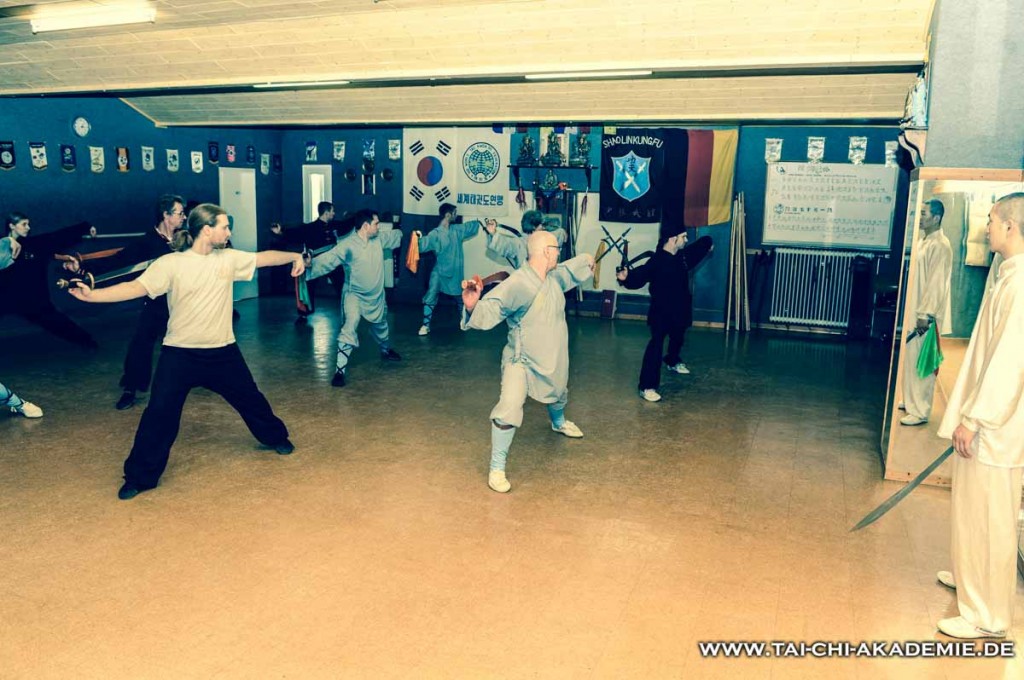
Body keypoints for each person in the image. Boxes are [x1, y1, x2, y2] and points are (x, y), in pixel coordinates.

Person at [68, 203, 304, 500]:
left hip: (222, 353)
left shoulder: (228, 258)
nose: (229, 232)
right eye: (224, 227)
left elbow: (264, 258)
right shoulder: (171, 264)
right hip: (179, 355)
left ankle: (276, 437)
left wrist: (295, 255)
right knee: (159, 415)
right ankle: (139, 477)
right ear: (207, 230)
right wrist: (93, 297)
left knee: (251, 399)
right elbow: (133, 288)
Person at [933, 193, 1024, 639]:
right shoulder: (1007, 275)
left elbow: (1010, 362)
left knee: (990, 517)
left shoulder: (1021, 283)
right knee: (974, 512)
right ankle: (972, 579)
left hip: (996, 428)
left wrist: (977, 418)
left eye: (991, 220)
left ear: (1010, 226)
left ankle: (988, 615)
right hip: (986, 420)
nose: (985, 227)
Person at [461, 230, 594, 493]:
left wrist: (587, 259)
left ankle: (558, 422)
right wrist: (472, 307)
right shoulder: (519, 283)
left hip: (552, 353)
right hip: (520, 359)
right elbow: (494, 307)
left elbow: (570, 270)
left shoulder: (553, 277)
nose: (559, 252)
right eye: (556, 248)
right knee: (508, 407)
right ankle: (497, 467)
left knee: (558, 391)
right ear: (546, 251)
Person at [76, 194, 184, 410]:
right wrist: (84, 270)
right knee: (141, 344)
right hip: (156, 303)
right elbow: (119, 260)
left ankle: (199, 378)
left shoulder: (184, 239)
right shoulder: (147, 242)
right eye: (180, 213)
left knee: (193, 342)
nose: (184, 217)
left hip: (182, 304)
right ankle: (130, 388)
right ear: (166, 215)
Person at [306, 209, 402, 387]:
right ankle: (339, 372)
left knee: (381, 326)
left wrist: (410, 234)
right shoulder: (348, 245)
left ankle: (385, 350)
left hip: (376, 297)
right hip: (354, 295)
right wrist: (309, 265)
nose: (378, 227)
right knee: (350, 324)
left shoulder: (379, 239)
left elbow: (396, 236)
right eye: (376, 224)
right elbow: (330, 258)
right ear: (366, 226)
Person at [617, 228, 714, 402]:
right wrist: (626, 277)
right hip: (661, 311)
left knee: (678, 336)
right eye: (683, 236)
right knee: (656, 345)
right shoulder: (657, 261)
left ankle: (672, 360)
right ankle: (646, 387)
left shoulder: (683, 258)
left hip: (681, 308)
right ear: (672, 238)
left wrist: (708, 244)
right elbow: (640, 276)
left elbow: (703, 243)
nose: (686, 239)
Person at [0, 212, 98, 348]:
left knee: (56, 322)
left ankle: (88, 343)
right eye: (24, 224)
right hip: (4, 297)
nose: (28, 227)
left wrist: (85, 227)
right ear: (12, 226)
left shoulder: (35, 245)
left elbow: (57, 237)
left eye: (28, 224)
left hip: (32, 300)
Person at [901, 199, 952, 426]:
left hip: (925, 313)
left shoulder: (940, 245)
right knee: (912, 356)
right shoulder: (924, 241)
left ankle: (920, 410)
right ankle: (911, 400)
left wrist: (926, 313)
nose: (920, 217)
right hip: (916, 307)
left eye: (924, 213)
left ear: (936, 218)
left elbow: (936, 283)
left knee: (923, 361)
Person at [416, 203, 481, 335]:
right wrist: (417, 238)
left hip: (455, 271)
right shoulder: (435, 234)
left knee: (459, 296)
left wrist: (479, 221)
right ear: (448, 215)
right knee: (431, 295)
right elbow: (423, 245)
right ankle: (425, 325)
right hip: (439, 271)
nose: (456, 216)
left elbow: (471, 227)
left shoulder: (456, 230)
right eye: (454, 213)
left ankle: (465, 321)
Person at [483, 210, 566, 269]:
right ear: (534, 226)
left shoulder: (544, 239)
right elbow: (505, 244)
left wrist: (563, 232)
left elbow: (559, 233)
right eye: (541, 225)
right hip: (526, 283)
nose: (543, 227)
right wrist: (493, 232)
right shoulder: (518, 243)